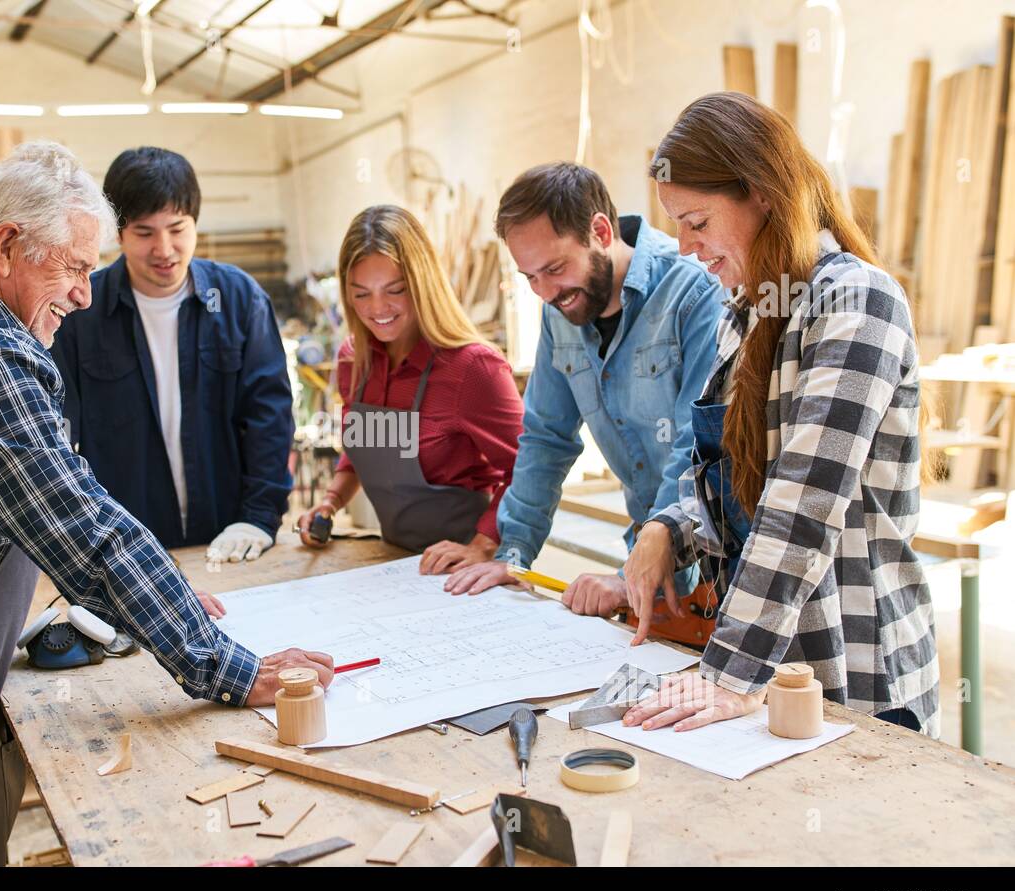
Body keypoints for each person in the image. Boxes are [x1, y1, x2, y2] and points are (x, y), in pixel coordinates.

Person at [0, 142, 332, 866]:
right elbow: (81, 525)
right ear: (7, 245)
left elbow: (56, 502)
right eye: (74, 266)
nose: (83, 293)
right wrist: (226, 668)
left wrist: (156, 597)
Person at [621, 93, 939, 736]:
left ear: (761, 193)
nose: (686, 248)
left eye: (698, 221)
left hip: (852, 674)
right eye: (677, 225)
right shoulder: (743, 315)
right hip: (765, 665)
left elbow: (803, 503)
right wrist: (667, 529)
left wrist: (727, 673)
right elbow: (716, 467)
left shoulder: (855, 302)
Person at [445, 163, 720, 616]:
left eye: (554, 268)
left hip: (718, 558)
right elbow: (545, 439)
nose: (545, 292)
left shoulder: (693, 291)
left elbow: (700, 446)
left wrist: (631, 571)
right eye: (529, 276)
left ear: (599, 230)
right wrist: (513, 555)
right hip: (646, 558)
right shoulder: (560, 313)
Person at [51, 147, 293, 563]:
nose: (164, 249)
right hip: (126, 551)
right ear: (118, 233)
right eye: (145, 233)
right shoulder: (81, 313)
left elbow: (269, 416)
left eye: (177, 228)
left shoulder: (238, 298)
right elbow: (57, 436)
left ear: (195, 222)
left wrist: (258, 517)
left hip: (232, 542)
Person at [295, 205, 522, 570]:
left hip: (464, 570)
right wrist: (330, 502)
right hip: (394, 561)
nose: (378, 308)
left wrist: (483, 545)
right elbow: (364, 446)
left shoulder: (473, 367)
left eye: (395, 290)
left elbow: (527, 471)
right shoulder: (355, 359)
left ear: (422, 284)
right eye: (361, 294)